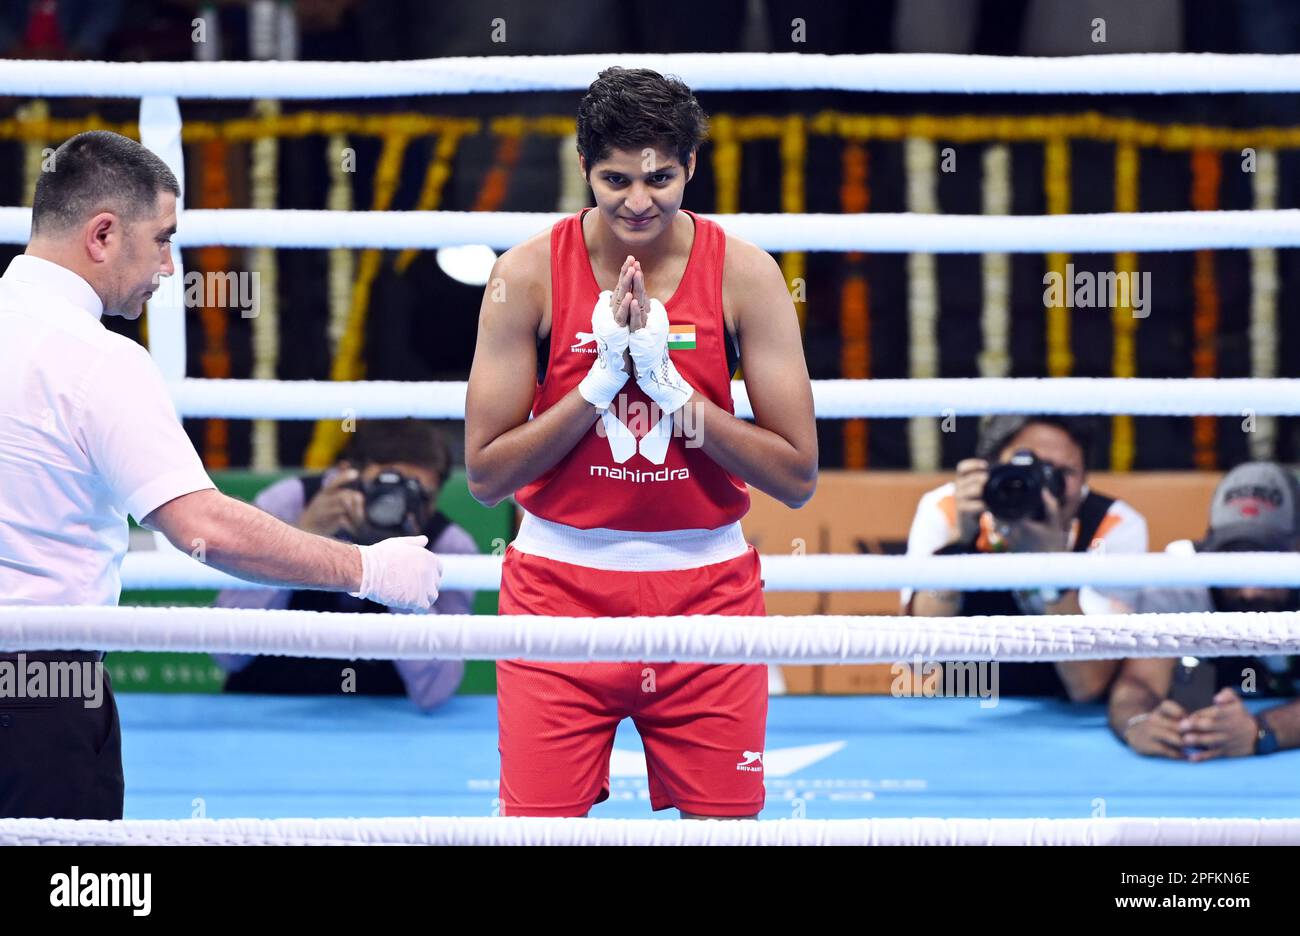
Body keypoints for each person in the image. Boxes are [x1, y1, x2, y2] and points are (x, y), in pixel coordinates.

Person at [0, 131, 440, 820]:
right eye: (163, 239)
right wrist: (366, 570)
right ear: (103, 234)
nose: (171, 267)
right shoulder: (94, 360)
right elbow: (202, 527)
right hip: (34, 684)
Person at [465, 67, 817, 818]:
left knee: (726, 838)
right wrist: (599, 383)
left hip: (708, 600)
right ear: (585, 169)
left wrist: (668, 388)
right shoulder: (524, 275)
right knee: (534, 841)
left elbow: (795, 477)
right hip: (557, 594)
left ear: (692, 165)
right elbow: (487, 477)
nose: (637, 200)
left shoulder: (748, 276)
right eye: (615, 178)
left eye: (660, 177)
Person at [211, 420, 476, 711]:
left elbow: (434, 692)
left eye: (417, 494)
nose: (398, 502)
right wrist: (299, 542)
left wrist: (399, 575)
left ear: (435, 499)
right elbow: (226, 652)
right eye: (387, 485)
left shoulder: (448, 545)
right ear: (345, 473)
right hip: (266, 706)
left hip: (385, 723)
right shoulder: (289, 505)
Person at [903, 414, 1149, 701]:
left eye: (1063, 473)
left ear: (1084, 479)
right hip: (965, 701)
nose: (1040, 485)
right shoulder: (947, 508)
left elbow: (1088, 685)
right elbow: (918, 662)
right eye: (1026, 466)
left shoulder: (1113, 525)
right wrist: (959, 547)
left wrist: (1052, 568)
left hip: (1064, 715)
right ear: (991, 466)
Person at [1111, 462, 1300, 760]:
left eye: (1268, 563)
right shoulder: (1181, 579)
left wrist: (1263, 730)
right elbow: (1139, 683)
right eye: (1233, 563)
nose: (1249, 591)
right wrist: (1139, 723)